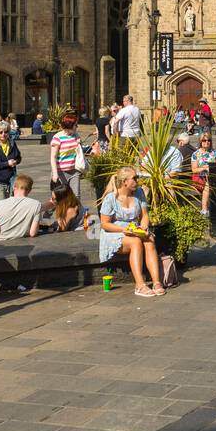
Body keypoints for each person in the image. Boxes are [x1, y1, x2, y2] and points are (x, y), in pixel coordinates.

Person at [98, 167, 165, 297]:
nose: (137, 180)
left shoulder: (139, 193)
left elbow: (145, 215)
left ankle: (157, 282)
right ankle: (140, 285)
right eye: (134, 178)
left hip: (134, 230)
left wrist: (144, 228)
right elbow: (104, 224)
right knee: (136, 242)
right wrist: (124, 229)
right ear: (125, 182)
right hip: (115, 233)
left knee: (149, 240)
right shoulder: (111, 198)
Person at [0, 174, 43, 241]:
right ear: (29, 190)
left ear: (14, 187)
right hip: (20, 243)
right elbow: (33, 233)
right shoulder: (36, 204)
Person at [49, 109, 82, 200]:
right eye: (75, 125)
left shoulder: (76, 135)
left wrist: (80, 144)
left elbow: (79, 152)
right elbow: (53, 157)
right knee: (57, 199)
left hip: (74, 171)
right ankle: (46, 214)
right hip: (60, 172)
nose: (77, 127)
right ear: (70, 125)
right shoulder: (57, 137)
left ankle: (75, 214)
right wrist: (55, 174)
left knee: (76, 197)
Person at [0, 120, 22, 203]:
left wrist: (15, 162)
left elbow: (19, 158)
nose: (3, 134)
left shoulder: (12, 143)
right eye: (0, 132)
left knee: (10, 207)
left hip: (11, 181)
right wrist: (7, 164)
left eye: (6, 132)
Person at [190, 133, 216, 215]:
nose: (207, 142)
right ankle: (204, 210)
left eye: (209, 140)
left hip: (213, 175)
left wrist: (211, 169)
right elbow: (194, 170)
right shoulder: (196, 154)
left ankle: (205, 210)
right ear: (200, 142)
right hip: (199, 177)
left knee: (209, 181)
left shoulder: (215, 153)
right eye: (204, 140)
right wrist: (204, 168)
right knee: (207, 183)